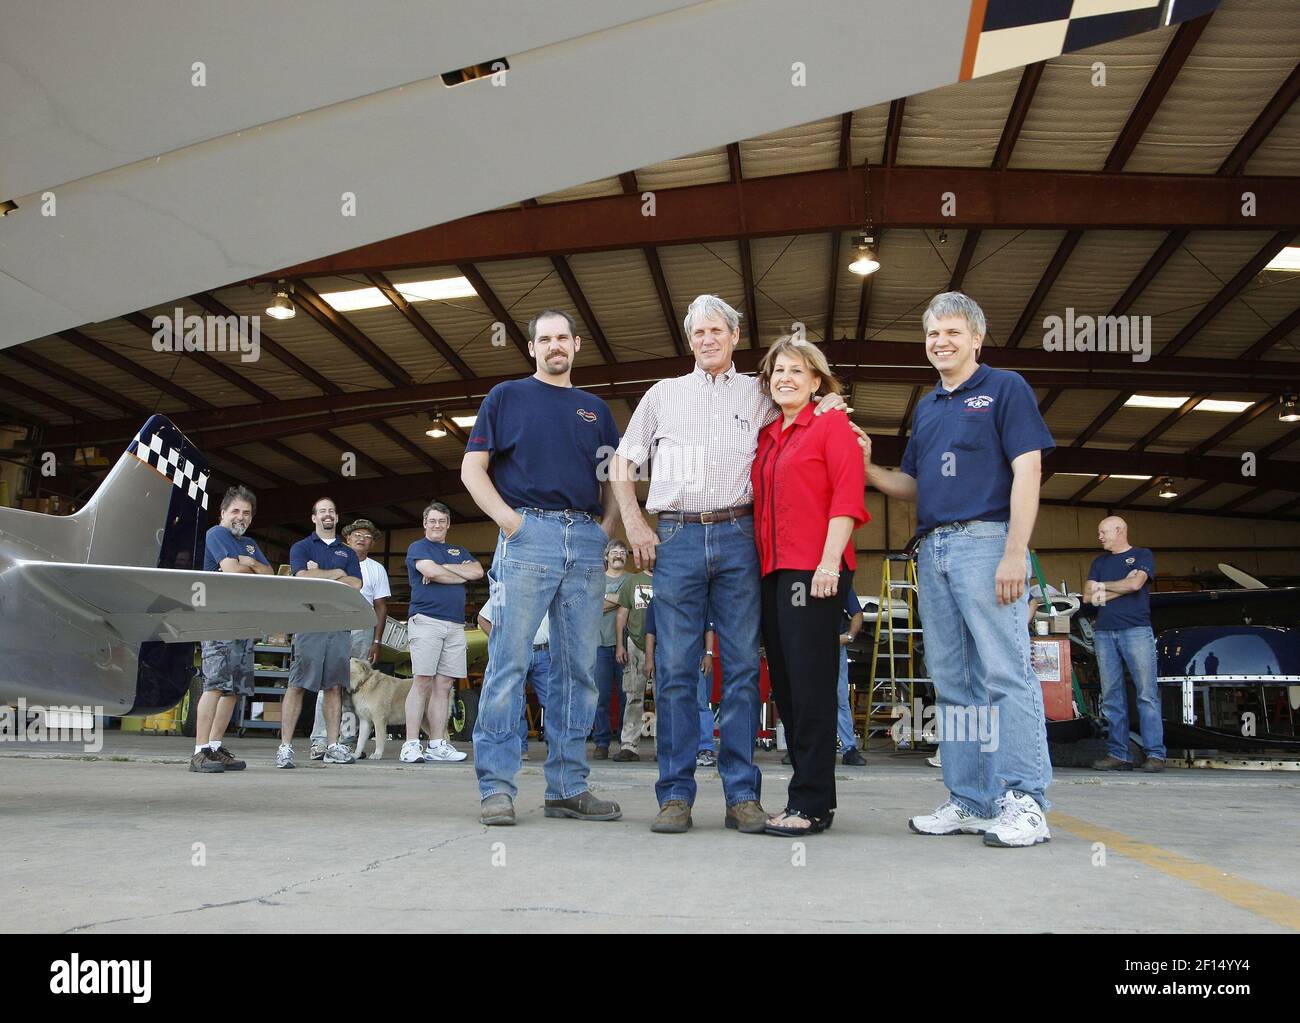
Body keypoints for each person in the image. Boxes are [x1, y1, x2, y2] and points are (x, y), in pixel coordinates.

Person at [611, 293, 848, 835]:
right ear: (689, 340)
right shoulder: (661, 395)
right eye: (698, 333)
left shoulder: (759, 392)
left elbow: (804, 412)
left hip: (742, 536)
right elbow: (624, 461)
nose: (708, 340)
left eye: (716, 331)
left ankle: (743, 796)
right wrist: (636, 522)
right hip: (676, 537)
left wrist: (830, 404)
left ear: (735, 335)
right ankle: (675, 796)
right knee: (673, 669)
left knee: (741, 668)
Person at [865, 291, 1054, 848]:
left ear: (976, 337)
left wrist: (1016, 551)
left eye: (952, 332)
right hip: (934, 549)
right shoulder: (927, 407)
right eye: (931, 334)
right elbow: (914, 487)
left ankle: (1025, 801)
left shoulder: (1005, 388)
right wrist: (867, 467)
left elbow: (1028, 470)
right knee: (953, 684)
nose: (940, 342)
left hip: (987, 543)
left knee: (1005, 674)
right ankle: (971, 799)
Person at [462, 308, 623, 826]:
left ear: (577, 345)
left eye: (563, 338)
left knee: (579, 670)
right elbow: (472, 468)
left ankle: (568, 787)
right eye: (544, 339)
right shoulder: (505, 397)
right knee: (508, 664)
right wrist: (513, 525)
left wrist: (605, 532)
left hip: (584, 540)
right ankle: (497, 788)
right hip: (528, 537)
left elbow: (616, 480)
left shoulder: (595, 409)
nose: (555, 346)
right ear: (533, 348)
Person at [752, 336, 868, 835]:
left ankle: (814, 804)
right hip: (773, 573)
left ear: (816, 381)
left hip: (814, 571)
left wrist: (827, 565)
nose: (786, 378)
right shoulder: (768, 436)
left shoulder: (830, 424)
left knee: (813, 688)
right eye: (778, 370)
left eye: (798, 371)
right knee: (788, 688)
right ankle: (805, 793)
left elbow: (847, 495)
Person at [192, 485, 273, 773]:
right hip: (217, 619)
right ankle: (200, 751)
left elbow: (270, 573)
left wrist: (248, 562)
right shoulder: (217, 534)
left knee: (233, 690)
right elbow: (231, 570)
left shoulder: (249, 544)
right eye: (235, 511)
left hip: (242, 621)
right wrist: (249, 566)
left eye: (247, 513)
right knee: (215, 685)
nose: (241, 516)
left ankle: (215, 747)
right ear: (223, 513)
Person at [280, 497, 364, 768]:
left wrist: (324, 573)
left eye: (331, 511)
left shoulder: (347, 553)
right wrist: (336, 574)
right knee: (297, 684)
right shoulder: (302, 547)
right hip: (310, 624)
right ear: (314, 518)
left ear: (337, 518)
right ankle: (285, 747)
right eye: (322, 511)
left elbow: (356, 584)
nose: (327, 515)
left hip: (339, 626)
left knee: (333, 687)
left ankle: (332, 746)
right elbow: (300, 576)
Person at [1084, 516, 1165, 772]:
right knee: (1111, 696)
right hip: (1105, 633)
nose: (1100, 537)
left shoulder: (1142, 554)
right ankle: (1118, 754)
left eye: (1103, 531)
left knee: (1146, 694)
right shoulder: (1099, 562)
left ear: (1119, 530)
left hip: (1136, 631)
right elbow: (1088, 596)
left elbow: (1136, 583)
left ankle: (1155, 755)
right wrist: (1124, 587)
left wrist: (1104, 588)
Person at [404, 502, 478, 764]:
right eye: (432, 521)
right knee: (422, 680)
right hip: (427, 620)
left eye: (442, 521)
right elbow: (430, 570)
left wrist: (446, 571)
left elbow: (477, 571)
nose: (437, 525)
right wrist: (457, 571)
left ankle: (437, 743)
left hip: (455, 625)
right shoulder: (418, 547)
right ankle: (411, 744)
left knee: (445, 685)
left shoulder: (457, 549)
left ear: (448, 524)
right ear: (425, 523)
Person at [310, 517, 390, 759]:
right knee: (328, 684)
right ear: (347, 538)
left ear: (372, 543)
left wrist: (376, 641)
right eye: (357, 534)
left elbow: (381, 607)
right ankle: (320, 740)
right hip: (334, 625)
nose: (361, 538)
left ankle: (347, 741)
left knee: (356, 687)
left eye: (367, 536)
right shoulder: (335, 559)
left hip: (362, 628)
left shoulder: (377, 569)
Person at [477, 599, 551, 760]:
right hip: (517, 652)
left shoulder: (549, 586)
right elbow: (482, 618)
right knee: (516, 702)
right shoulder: (508, 586)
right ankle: (519, 749)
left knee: (552, 701)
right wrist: (500, 641)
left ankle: (554, 749)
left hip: (544, 651)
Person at [591, 539, 628, 759]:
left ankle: (626, 743)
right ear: (606, 556)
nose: (619, 555)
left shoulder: (633, 579)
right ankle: (601, 742)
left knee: (627, 698)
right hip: (599, 645)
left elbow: (635, 605)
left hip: (628, 646)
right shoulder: (596, 580)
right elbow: (593, 606)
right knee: (600, 698)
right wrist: (621, 601)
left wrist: (607, 600)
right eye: (614, 551)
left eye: (623, 552)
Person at [613, 567, 653, 761]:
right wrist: (620, 645)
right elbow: (621, 614)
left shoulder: (668, 577)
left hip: (664, 646)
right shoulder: (633, 581)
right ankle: (629, 745)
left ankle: (665, 747)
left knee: (665, 700)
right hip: (635, 644)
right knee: (632, 696)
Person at [837, 590, 866, 766]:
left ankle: (849, 748)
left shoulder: (840, 581)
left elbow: (857, 614)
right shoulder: (801, 578)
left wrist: (848, 637)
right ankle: (797, 747)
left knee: (840, 698)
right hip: (807, 646)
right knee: (802, 697)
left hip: (834, 647)